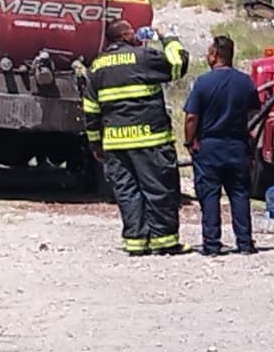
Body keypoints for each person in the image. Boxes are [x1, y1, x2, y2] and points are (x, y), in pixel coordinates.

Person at [82, 18, 190, 257]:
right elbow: (178, 63)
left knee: (127, 192)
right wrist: (168, 37)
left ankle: (136, 242)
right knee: (159, 189)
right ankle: (164, 242)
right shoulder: (142, 57)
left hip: (115, 144)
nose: (136, 35)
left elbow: (90, 111)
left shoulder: (96, 68)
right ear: (124, 36)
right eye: (131, 32)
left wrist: (95, 143)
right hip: (149, 140)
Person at [183, 34, 260, 256]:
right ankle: (244, 243)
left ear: (215, 55)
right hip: (237, 145)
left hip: (209, 146)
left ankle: (212, 244)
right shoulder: (245, 82)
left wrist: (189, 141)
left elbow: (191, 117)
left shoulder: (203, 82)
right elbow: (254, 112)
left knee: (209, 196)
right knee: (239, 194)